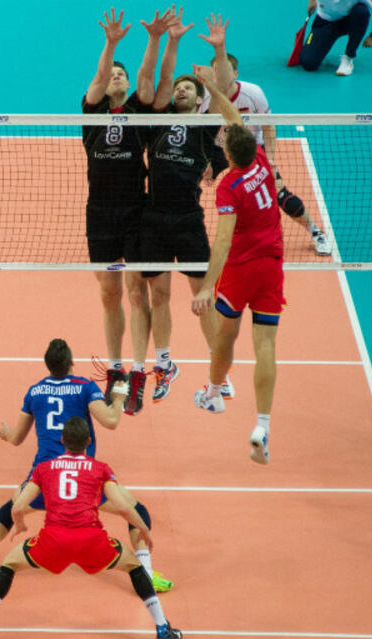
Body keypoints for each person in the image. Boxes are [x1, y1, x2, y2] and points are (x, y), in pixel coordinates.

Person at [0, 339, 172, 593]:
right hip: (83, 480)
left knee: (11, 508)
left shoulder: (34, 391)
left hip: (44, 478)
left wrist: (6, 434)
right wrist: (119, 398)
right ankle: (146, 573)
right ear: (71, 363)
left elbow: (17, 439)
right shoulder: (85, 387)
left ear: (48, 365)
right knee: (137, 510)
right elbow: (111, 421)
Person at [0, 417, 183, 639]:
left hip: (53, 540)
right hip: (92, 541)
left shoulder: (43, 468)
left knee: (9, 565)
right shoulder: (101, 468)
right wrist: (144, 530)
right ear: (88, 441)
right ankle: (162, 629)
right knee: (134, 567)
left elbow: (17, 506)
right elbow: (125, 508)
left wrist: (21, 525)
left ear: (62, 440)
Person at [122, 7, 229, 412]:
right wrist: (172, 40)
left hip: (188, 220)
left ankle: (220, 370)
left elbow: (223, 89)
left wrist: (218, 52)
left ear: (201, 101)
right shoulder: (158, 121)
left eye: (190, 88)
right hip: (153, 218)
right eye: (180, 89)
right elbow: (160, 79)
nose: (181, 90)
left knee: (203, 296)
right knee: (158, 295)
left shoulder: (206, 129)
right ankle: (165, 362)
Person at [190, 67, 283, 465]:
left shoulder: (229, 185)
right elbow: (233, 116)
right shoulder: (260, 158)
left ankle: (213, 394)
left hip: (242, 269)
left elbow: (224, 240)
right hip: (272, 266)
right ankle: (262, 424)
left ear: (228, 153)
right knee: (266, 346)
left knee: (226, 334)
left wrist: (207, 285)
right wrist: (212, 86)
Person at [81, 8, 160, 404]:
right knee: (110, 293)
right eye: (113, 72)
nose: (116, 77)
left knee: (137, 291)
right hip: (100, 217)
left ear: (127, 86)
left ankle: (140, 371)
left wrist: (153, 39)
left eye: (121, 75)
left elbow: (147, 78)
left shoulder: (138, 111)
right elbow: (97, 79)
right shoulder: (92, 111)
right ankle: (115, 369)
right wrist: (110, 44)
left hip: (135, 213)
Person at [204, 20, 332, 256]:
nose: (219, 76)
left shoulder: (253, 94)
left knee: (280, 193)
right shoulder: (204, 96)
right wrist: (205, 162)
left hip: (251, 149)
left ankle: (315, 231)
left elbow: (269, 127)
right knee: (182, 179)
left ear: (235, 73)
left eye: (224, 71)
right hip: (217, 148)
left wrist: (270, 159)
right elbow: (199, 133)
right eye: (215, 72)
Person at [298, 0, 372, 76]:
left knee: (362, 12)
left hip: (349, 21)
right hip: (324, 22)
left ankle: (348, 57)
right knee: (308, 62)